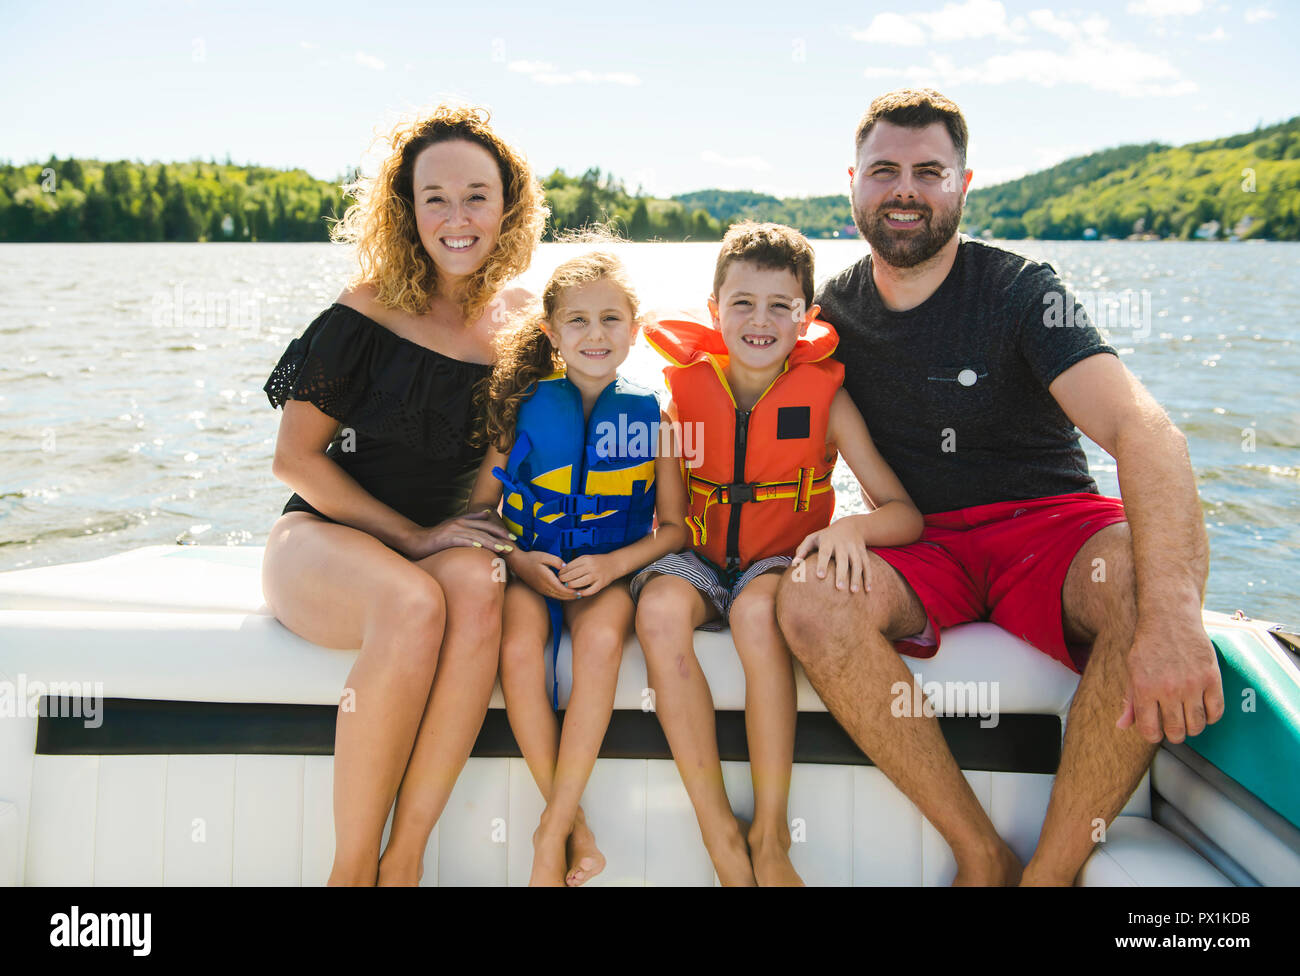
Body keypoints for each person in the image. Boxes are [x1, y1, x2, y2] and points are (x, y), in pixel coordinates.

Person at [776, 88, 1225, 886]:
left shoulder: (1021, 290)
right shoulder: (830, 310)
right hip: (923, 541)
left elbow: (1144, 432)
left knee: (1136, 573)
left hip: (1050, 531)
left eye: (928, 171)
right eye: (884, 170)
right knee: (810, 597)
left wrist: (1176, 619)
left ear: (963, 184)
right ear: (852, 184)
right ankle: (980, 853)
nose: (904, 189)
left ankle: (1048, 876)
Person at [260, 104, 547, 886]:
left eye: (477, 196)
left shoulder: (526, 326)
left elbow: (530, 452)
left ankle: (405, 858)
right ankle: (350, 872)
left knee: (479, 589)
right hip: (324, 538)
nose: (458, 218)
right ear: (406, 209)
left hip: (443, 536)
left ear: (509, 206)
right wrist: (414, 540)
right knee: (415, 601)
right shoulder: (364, 311)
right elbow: (296, 461)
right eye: (435, 198)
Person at [634, 222, 923, 885]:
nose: (759, 321)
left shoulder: (827, 397)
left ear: (807, 317)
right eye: (742, 303)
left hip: (776, 562)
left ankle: (769, 833)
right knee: (657, 614)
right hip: (696, 554)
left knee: (757, 618)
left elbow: (903, 513)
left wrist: (852, 527)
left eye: (779, 307)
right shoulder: (681, 391)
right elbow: (663, 510)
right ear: (714, 311)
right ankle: (718, 832)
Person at [465, 249, 689, 886]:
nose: (596, 335)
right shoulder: (523, 407)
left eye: (611, 319)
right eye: (579, 321)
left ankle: (549, 834)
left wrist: (615, 563)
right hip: (531, 565)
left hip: (607, 573)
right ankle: (576, 831)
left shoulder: (657, 418)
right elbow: (482, 509)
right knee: (517, 650)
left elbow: (673, 530)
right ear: (551, 332)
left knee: (598, 647)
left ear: (635, 328)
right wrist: (518, 559)